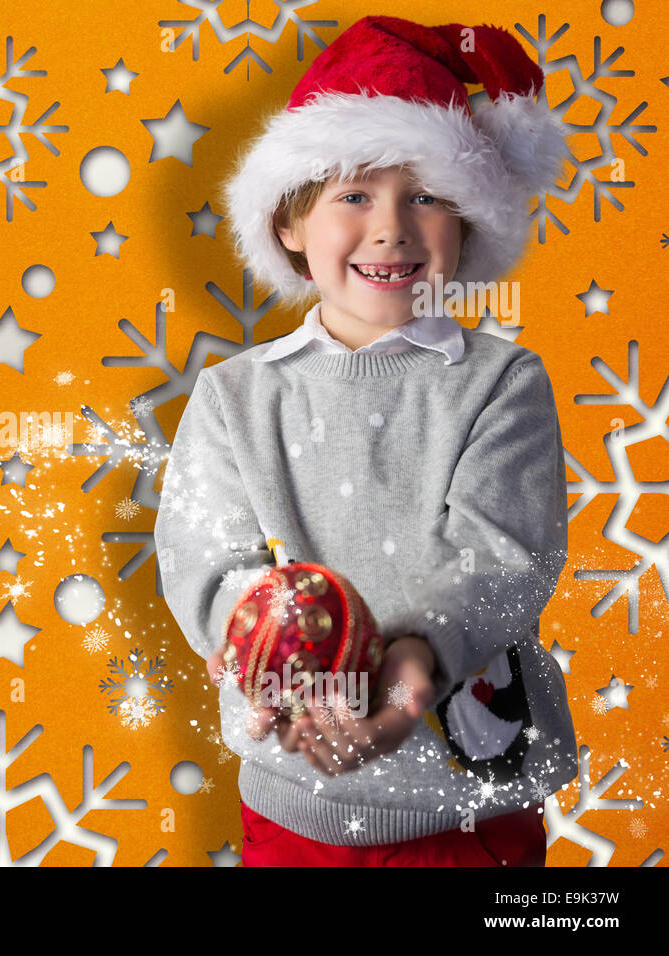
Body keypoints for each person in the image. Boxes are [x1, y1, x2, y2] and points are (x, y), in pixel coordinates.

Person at [153, 15, 579, 866]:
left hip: (467, 804)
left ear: (467, 229)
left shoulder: (503, 383)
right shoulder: (235, 397)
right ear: (288, 225)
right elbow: (204, 558)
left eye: (426, 196)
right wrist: (263, 644)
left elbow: (503, 560)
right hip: (294, 801)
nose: (391, 227)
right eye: (354, 196)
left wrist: (415, 660)